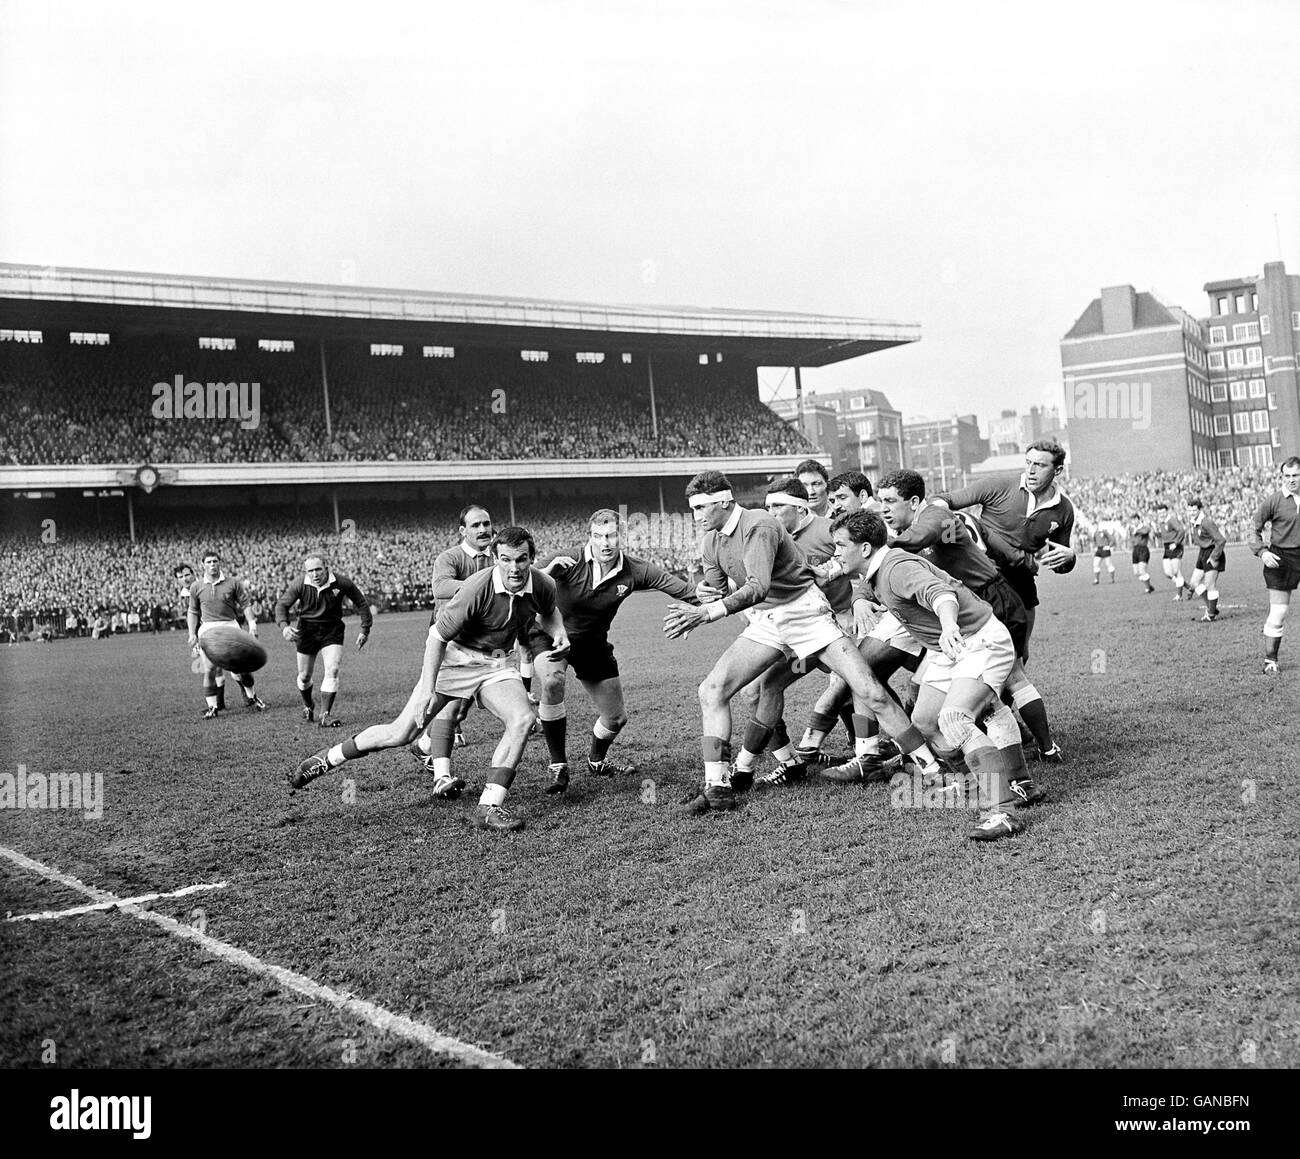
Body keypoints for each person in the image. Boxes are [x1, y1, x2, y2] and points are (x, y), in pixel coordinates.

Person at [662, 471, 943, 814]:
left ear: (724, 501)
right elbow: (721, 589)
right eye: (692, 509)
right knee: (713, 689)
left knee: (869, 690)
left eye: (702, 507)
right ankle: (718, 785)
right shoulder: (712, 540)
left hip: (806, 614)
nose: (696, 516)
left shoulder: (760, 525)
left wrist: (707, 613)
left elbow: (758, 586)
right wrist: (706, 596)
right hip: (768, 620)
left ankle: (929, 767)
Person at [290, 527, 570, 833]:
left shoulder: (543, 583)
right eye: (506, 560)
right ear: (495, 558)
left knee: (522, 719)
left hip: (498, 663)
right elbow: (436, 637)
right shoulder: (477, 588)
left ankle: (489, 806)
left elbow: (549, 612)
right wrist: (426, 690)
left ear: (532, 557)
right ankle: (325, 759)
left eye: (521, 559)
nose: (514, 568)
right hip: (456, 660)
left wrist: (558, 632)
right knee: (400, 733)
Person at [831, 510, 1043, 842]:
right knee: (927, 721)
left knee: (955, 718)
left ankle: (1001, 810)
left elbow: (940, 594)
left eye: (841, 545)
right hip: (954, 647)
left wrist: (947, 626)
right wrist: (852, 593)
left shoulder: (897, 569)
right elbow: (859, 581)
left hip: (978, 639)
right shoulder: (880, 568)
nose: (836, 552)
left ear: (866, 548)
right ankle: (991, 784)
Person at [532, 508, 695, 793]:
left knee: (616, 718)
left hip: (592, 643)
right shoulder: (565, 560)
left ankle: (597, 762)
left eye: (611, 536)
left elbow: (684, 590)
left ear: (622, 537)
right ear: (589, 537)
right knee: (552, 681)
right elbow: (521, 586)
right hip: (550, 635)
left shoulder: (635, 570)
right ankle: (558, 765)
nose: (605, 543)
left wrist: (727, 599)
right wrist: (546, 575)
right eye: (598, 536)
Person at [932, 441, 1073, 761]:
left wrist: (1071, 557)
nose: (1032, 469)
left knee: (1018, 658)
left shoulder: (1064, 510)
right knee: (1006, 668)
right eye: (1029, 463)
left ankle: (1003, 726)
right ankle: (1032, 740)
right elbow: (944, 500)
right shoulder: (998, 486)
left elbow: (1059, 560)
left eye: (1041, 465)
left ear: (1058, 470)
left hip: (1022, 586)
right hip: (985, 583)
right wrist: (956, 526)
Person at [275, 554, 373, 728]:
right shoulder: (299, 584)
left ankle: (325, 715)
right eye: (310, 571)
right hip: (306, 632)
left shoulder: (342, 583)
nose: (314, 574)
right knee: (304, 677)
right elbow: (281, 606)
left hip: (332, 630)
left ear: (327, 568)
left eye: (318, 569)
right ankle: (308, 706)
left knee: (333, 669)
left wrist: (365, 629)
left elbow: (361, 603)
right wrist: (284, 627)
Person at [187, 551, 267, 717]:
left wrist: (252, 626)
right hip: (208, 629)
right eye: (208, 562)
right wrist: (191, 633)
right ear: (203, 564)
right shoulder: (196, 586)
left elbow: (245, 604)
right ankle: (213, 707)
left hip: (230, 626)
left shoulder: (233, 583)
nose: (212, 565)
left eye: (215, 561)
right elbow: (192, 611)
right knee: (209, 669)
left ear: (219, 563)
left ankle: (252, 697)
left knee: (241, 669)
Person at [1250, 456, 1300, 674]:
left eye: (1295, 475)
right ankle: (1271, 661)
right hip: (1281, 558)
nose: (1291, 480)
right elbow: (1253, 528)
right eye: (1287, 476)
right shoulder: (1274, 500)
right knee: (1279, 612)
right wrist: (1262, 552)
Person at [1184, 499, 1226, 622]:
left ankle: (1211, 615)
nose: (1191, 512)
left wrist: (1214, 557)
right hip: (1202, 552)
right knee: (1194, 583)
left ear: (1200, 509)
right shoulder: (1194, 522)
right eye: (1190, 510)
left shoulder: (1206, 522)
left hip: (1212, 552)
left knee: (1209, 584)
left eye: (1194, 510)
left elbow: (1221, 540)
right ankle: (1211, 607)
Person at [1156, 502, 1188, 600]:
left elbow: (1181, 530)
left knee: (1176, 571)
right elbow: (1165, 534)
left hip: (1175, 547)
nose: (1161, 514)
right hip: (1167, 548)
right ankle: (1188, 586)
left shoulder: (1171, 520)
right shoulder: (1161, 522)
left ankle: (1179, 595)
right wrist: (1157, 534)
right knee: (1168, 573)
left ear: (1167, 511)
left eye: (1163, 512)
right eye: (1159, 513)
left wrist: (1176, 543)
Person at [1129, 513, 1156, 594]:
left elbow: (1146, 531)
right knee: (1136, 573)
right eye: (1132, 520)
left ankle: (1148, 588)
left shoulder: (1143, 527)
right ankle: (1149, 586)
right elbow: (1132, 538)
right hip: (1135, 550)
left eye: (1135, 519)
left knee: (1142, 570)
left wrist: (1136, 531)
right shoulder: (1132, 528)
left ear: (1138, 519)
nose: (1133, 521)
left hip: (1143, 550)